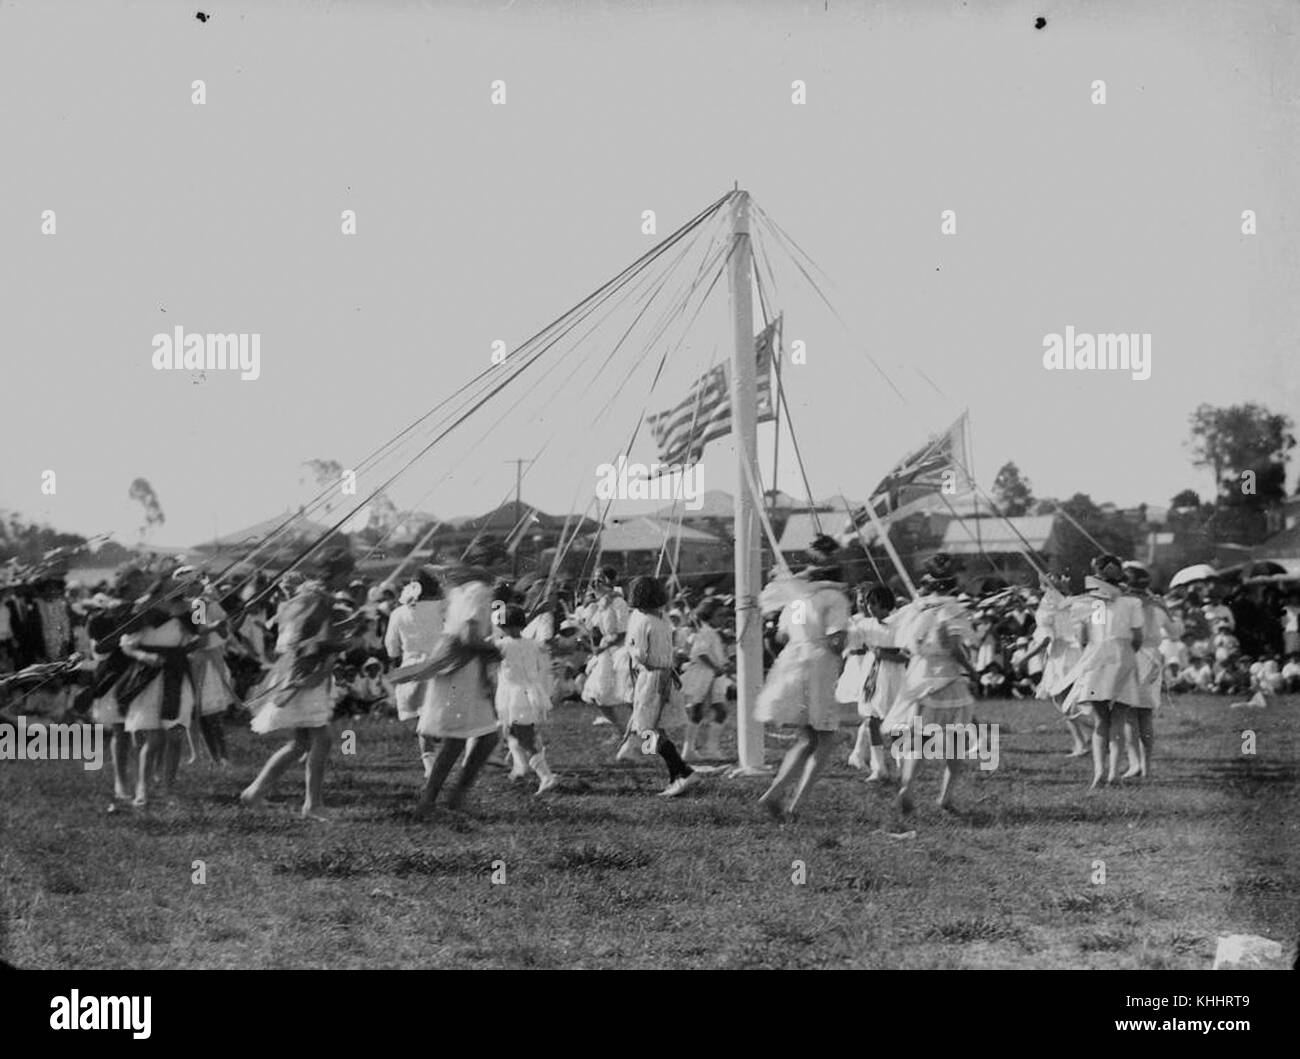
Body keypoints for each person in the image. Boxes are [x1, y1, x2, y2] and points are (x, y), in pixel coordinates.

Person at [390, 563, 502, 818]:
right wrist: (495, 650)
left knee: (465, 738)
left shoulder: (460, 591)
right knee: (473, 738)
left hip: (455, 666)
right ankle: (444, 798)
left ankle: (438, 799)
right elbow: (469, 636)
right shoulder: (477, 591)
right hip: (462, 668)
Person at [755, 557, 851, 820]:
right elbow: (836, 639)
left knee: (807, 738)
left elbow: (781, 636)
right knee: (826, 738)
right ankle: (797, 803)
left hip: (794, 662)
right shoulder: (835, 598)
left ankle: (775, 793)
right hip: (820, 664)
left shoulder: (798, 599)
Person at [240, 578, 344, 820]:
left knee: (299, 744)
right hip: (306, 679)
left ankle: (254, 791)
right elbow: (303, 648)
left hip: (304, 677)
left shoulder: (302, 620)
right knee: (322, 739)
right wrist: (323, 661)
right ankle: (312, 804)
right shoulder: (308, 621)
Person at [882, 555, 976, 814]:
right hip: (946, 678)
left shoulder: (916, 609)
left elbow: (901, 642)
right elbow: (953, 648)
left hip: (918, 676)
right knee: (955, 741)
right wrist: (971, 670)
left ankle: (907, 787)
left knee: (918, 739)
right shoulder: (952, 609)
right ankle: (945, 796)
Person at [1059, 555, 1144, 790]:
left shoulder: (1091, 604)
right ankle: (1113, 772)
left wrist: (1096, 651)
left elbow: (1084, 638)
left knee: (1100, 721)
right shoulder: (1131, 603)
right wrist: (1124, 653)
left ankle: (1099, 771)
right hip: (1123, 657)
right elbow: (1137, 638)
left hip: (1097, 659)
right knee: (1118, 719)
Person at [115, 588, 200, 807]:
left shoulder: (189, 615)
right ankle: (142, 788)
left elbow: (199, 637)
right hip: (149, 679)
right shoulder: (145, 616)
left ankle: (168, 789)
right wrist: (144, 655)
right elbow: (126, 645)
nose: (178, 603)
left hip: (177, 676)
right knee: (154, 739)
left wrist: (198, 618)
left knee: (175, 736)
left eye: (181, 599)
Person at [617, 575, 699, 797]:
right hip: (664, 674)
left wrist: (630, 649)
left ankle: (683, 772)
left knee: (649, 727)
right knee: (652, 726)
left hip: (651, 677)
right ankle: (675, 775)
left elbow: (641, 655)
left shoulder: (642, 621)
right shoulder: (662, 619)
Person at [383, 568, 447, 779]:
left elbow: (391, 648)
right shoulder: (443, 607)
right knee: (437, 719)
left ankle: (430, 765)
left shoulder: (398, 613)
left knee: (424, 718)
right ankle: (436, 763)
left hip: (412, 669)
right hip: (441, 667)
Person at [495, 604, 560, 793]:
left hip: (515, 695)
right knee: (512, 732)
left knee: (525, 737)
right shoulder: (534, 644)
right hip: (531, 693)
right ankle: (521, 766)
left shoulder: (501, 646)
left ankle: (546, 776)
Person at [847, 584, 907, 783]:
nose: (869, 607)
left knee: (899, 721)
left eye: (873, 603)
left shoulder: (900, 624)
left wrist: (885, 654)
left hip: (894, 675)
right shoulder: (865, 625)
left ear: (885, 604)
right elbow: (851, 636)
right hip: (872, 673)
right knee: (872, 718)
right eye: (867, 603)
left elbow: (907, 656)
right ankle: (879, 766)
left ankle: (902, 764)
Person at [680, 598, 728, 762]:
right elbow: (701, 653)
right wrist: (716, 668)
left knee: (713, 710)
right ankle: (697, 749)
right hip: (704, 673)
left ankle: (704, 748)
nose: (723, 619)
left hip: (712, 674)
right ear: (709, 615)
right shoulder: (706, 631)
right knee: (701, 709)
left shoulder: (711, 631)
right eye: (719, 615)